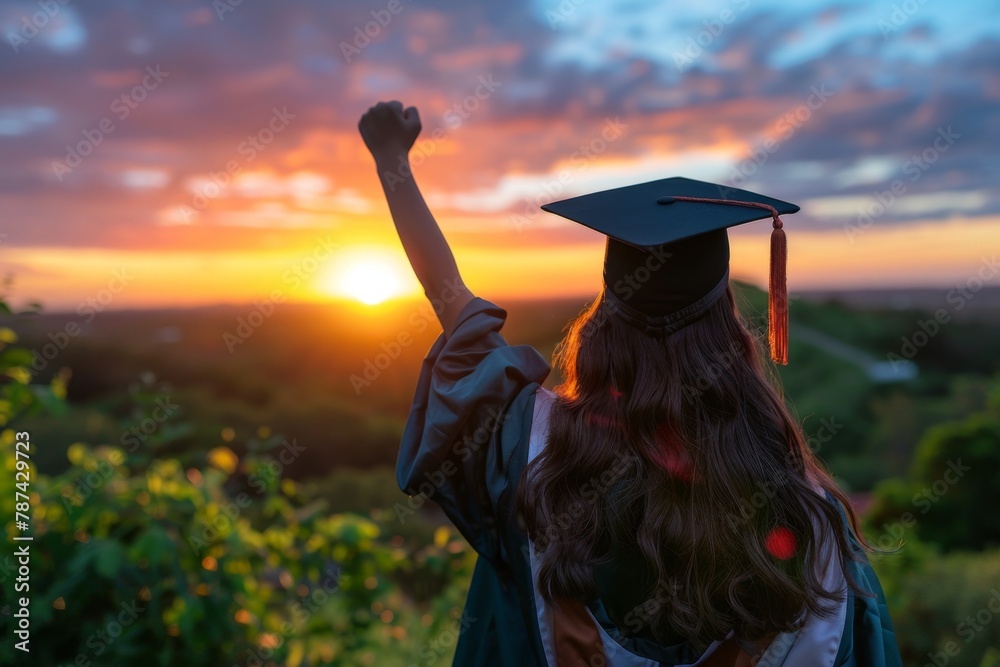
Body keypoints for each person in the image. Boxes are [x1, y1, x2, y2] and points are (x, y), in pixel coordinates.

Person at [358, 100, 903, 666]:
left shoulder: (526, 457)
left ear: (604, 322)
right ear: (729, 332)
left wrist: (392, 160)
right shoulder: (811, 524)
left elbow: (455, 308)